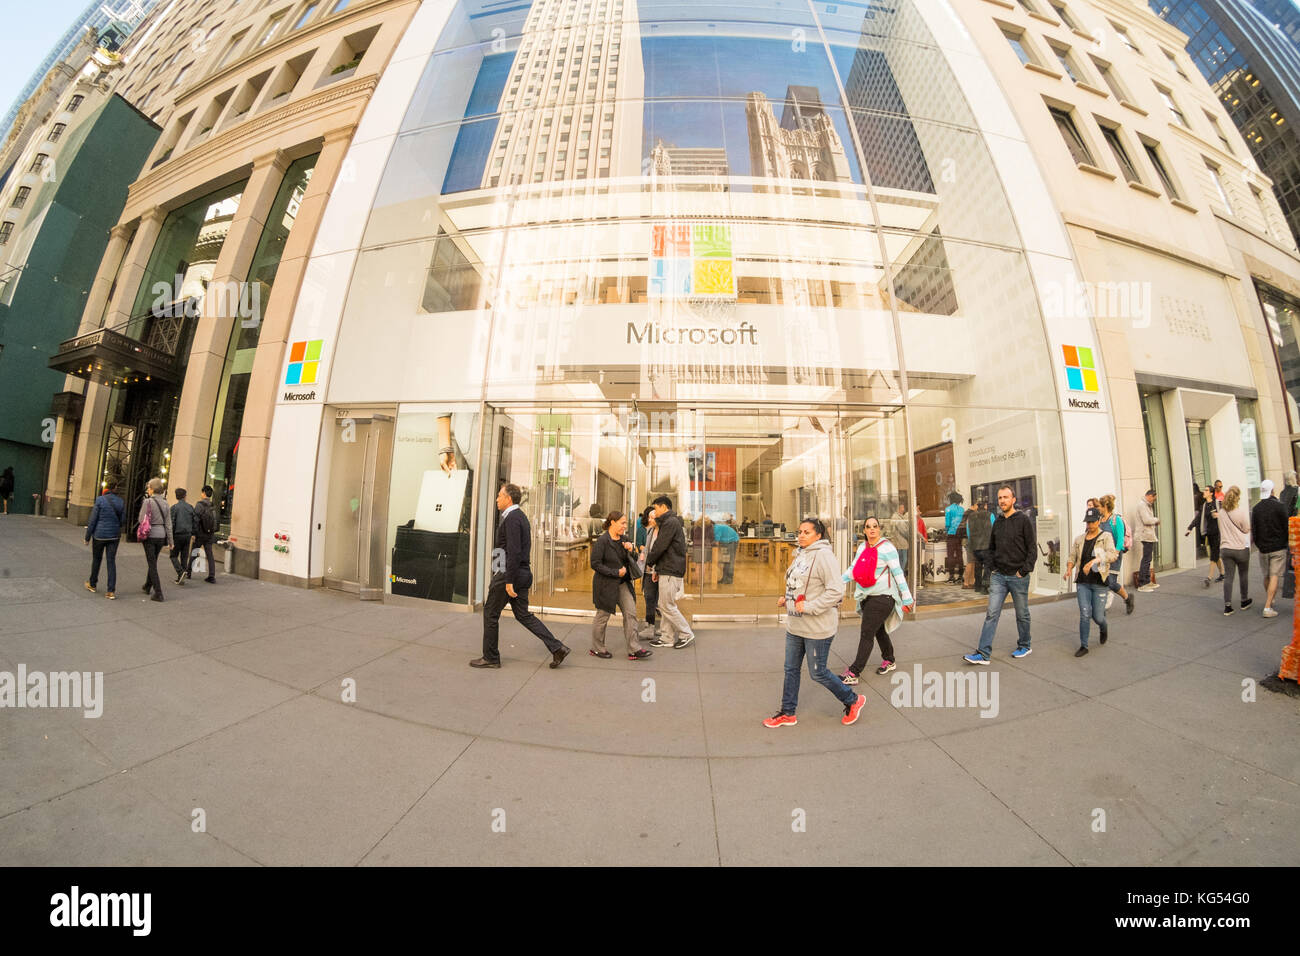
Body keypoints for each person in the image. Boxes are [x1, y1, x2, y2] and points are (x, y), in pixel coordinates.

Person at [763, 518, 865, 728]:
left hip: (817, 628)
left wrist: (809, 607)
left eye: (806, 532)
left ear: (818, 535)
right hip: (796, 626)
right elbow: (798, 584)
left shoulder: (824, 556)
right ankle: (787, 712)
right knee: (790, 669)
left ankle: (853, 700)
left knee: (818, 672)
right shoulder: (800, 554)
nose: (801, 535)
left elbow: (836, 592)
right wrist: (787, 599)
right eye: (799, 531)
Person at [471, 483, 570, 669]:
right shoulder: (517, 517)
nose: (497, 499)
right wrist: (497, 571)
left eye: (500, 495)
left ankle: (490, 658)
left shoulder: (513, 518)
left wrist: (507, 580)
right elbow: (505, 549)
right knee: (523, 615)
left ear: (509, 498)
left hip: (511, 574)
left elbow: (514, 552)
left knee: (490, 613)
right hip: (518, 572)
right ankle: (557, 648)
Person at [964, 484, 1036, 664]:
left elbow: (1032, 549)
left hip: (1018, 577)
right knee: (991, 614)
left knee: (1022, 614)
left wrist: (1024, 570)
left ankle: (1025, 645)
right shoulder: (997, 522)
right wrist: (991, 568)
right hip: (999, 577)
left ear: (1013, 500)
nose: (1002, 501)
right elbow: (991, 548)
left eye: (1006, 497)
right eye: (1000, 498)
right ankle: (983, 653)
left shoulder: (1023, 520)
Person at [840, 516, 915, 683]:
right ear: (864, 530)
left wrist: (907, 598)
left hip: (884, 597)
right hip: (867, 595)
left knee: (867, 633)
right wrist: (837, 583)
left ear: (879, 529)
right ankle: (890, 659)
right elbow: (853, 569)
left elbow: (898, 573)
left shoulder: (888, 548)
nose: (872, 529)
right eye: (868, 526)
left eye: (875, 526)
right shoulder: (862, 547)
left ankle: (854, 672)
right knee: (878, 629)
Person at [588, 511, 653, 660]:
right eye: (622, 523)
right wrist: (615, 572)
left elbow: (636, 559)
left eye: (625, 523)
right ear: (612, 522)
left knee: (631, 614)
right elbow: (595, 564)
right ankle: (597, 648)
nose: (625, 526)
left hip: (623, 584)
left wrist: (631, 550)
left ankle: (634, 649)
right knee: (602, 616)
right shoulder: (603, 541)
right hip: (606, 585)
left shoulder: (624, 540)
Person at [1064, 507, 1118, 657]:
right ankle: (1084, 645)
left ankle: (1103, 626)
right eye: (1088, 522)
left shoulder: (1106, 536)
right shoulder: (1079, 539)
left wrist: (1096, 560)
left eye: (1093, 522)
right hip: (1083, 583)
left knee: (1098, 616)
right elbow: (1072, 557)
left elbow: (1113, 555)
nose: (1090, 525)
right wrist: (1069, 569)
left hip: (1099, 582)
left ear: (1099, 520)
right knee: (1085, 613)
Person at [644, 495, 694, 649]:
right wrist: (657, 569)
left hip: (671, 569)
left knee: (667, 605)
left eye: (656, 508)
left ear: (664, 507)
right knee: (664, 603)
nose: (655, 511)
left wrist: (649, 563)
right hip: (667, 568)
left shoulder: (670, 523)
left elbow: (660, 546)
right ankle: (667, 637)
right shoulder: (669, 522)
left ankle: (686, 633)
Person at [1251, 478, 1287, 618]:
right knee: (1274, 576)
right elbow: (1286, 526)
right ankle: (1267, 606)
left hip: (1263, 548)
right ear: (1272, 490)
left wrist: (1259, 544)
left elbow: (1254, 530)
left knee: (1266, 575)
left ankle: (1270, 600)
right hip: (1278, 547)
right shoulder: (1279, 506)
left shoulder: (1256, 508)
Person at [84, 481, 125, 599]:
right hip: (114, 536)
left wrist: (87, 537)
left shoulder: (100, 500)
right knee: (111, 561)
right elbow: (123, 521)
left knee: (97, 559)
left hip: (99, 535)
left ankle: (92, 584)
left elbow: (93, 520)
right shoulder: (121, 502)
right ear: (115, 488)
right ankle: (111, 591)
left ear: (106, 488)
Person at [1216, 485, 1252, 616]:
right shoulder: (1241, 512)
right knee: (1243, 574)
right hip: (1240, 548)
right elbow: (1247, 529)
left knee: (1228, 577)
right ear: (1237, 498)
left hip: (1225, 549)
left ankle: (1228, 606)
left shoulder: (1221, 513)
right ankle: (1244, 600)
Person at [1096, 495, 1135, 614]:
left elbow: (1120, 539)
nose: (1098, 509)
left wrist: (1116, 553)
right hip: (1102, 555)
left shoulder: (1116, 520)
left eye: (1100, 506)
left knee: (1110, 581)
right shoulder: (1100, 519)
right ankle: (1128, 598)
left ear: (1105, 507)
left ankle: (1103, 607)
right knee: (1104, 580)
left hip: (1114, 555)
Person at [138, 478, 173, 603]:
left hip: (150, 535)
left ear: (152, 489)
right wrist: (171, 541)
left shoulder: (148, 502)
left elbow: (141, 519)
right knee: (153, 559)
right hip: (161, 536)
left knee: (152, 563)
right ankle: (148, 585)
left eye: (149, 487)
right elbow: (169, 524)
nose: (148, 489)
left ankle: (158, 592)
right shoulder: (165, 503)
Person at [1186, 485, 1224, 588]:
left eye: (1206, 490)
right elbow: (1198, 518)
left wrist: (1219, 515)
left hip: (1217, 533)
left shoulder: (1217, 503)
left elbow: (1226, 514)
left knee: (1213, 556)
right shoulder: (1204, 506)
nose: (1204, 492)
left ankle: (1209, 577)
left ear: (1211, 493)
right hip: (1209, 533)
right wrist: (1190, 528)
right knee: (1216, 555)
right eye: (1205, 490)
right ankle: (1222, 574)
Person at [638, 508, 660, 641]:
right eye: (650, 517)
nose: (650, 520)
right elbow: (647, 549)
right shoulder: (650, 531)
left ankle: (652, 627)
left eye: (654, 517)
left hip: (656, 570)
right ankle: (649, 625)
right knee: (649, 598)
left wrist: (655, 569)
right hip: (648, 569)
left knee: (654, 599)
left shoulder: (662, 532)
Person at [1133, 489, 1160, 592]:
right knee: (1146, 558)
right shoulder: (1142, 505)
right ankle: (1142, 583)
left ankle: (1147, 581)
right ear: (1149, 496)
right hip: (1145, 535)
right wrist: (1156, 520)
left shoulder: (1145, 505)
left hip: (1147, 535)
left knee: (1148, 558)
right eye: (1154, 498)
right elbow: (1146, 520)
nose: (1154, 500)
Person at [170, 488, 196, 585]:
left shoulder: (174, 508)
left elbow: (171, 523)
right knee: (184, 556)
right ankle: (182, 576)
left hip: (177, 535)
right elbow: (194, 521)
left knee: (173, 555)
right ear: (185, 496)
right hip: (187, 535)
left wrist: (170, 538)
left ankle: (180, 572)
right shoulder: (190, 507)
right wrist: (193, 533)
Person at [967, 499, 994, 595]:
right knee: (988, 567)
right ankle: (985, 587)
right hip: (987, 545)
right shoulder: (990, 515)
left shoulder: (970, 516)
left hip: (974, 546)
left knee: (978, 566)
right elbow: (994, 529)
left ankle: (977, 586)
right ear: (985, 506)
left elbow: (968, 532)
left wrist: (972, 543)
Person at [193, 485, 218, 584]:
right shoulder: (212, 505)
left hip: (200, 533)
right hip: (209, 534)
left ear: (203, 493)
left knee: (194, 552)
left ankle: (188, 572)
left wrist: (194, 533)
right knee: (210, 555)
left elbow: (195, 520)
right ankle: (212, 576)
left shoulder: (199, 505)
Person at [886, 501, 912, 580]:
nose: (903, 509)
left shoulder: (899, 517)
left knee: (900, 559)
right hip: (901, 543)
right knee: (903, 560)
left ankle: (898, 575)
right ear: (898, 508)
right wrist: (910, 536)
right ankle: (899, 575)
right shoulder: (896, 517)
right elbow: (903, 530)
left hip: (900, 542)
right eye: (902, 507)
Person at [944, 492, 965, 584]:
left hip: (951, 534)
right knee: (959, 555)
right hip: (960, 535)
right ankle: (960, 576)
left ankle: (951, 576)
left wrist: (946, 531)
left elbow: (947, 523)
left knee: (951, 556)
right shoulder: (962, 509)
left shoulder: (948, 509)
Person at [713, 517, 739, 585]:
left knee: (730, 561)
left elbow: (716, 542)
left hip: (732, 541)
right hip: (727, 541)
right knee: (726, 560)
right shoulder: (716, 527)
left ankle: (729, 580)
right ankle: (724, 579)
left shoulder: (716, 528)